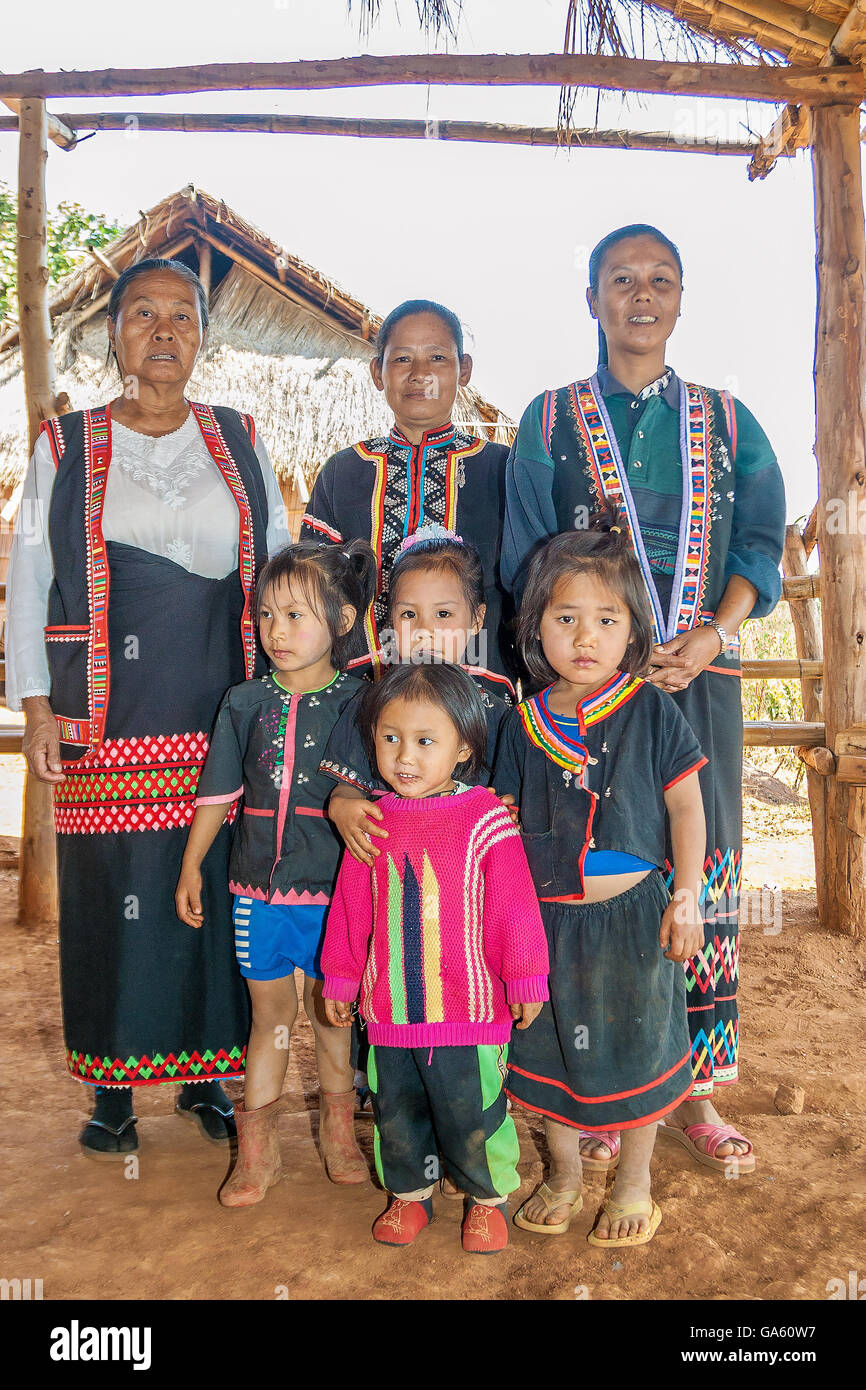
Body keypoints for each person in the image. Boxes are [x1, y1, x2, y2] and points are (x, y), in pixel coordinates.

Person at [502, 224, 784, 1173]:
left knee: (702, 868)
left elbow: (759, 547)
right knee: (587, 878)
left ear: (681, 296)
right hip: (585, 692)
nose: (641, 294)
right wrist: (594, 664)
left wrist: (715, 631)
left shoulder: (731, 423)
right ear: (593, 298)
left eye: (660, 279)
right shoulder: (548, 420)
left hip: (699, 682)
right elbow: (529, 562)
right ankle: (590, 1085)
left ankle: (692, 1094)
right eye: (621, 279)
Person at [5, 257, 290, 1155]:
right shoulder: (66, 444)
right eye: (142, 315)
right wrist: (40, 708)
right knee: (113, 893)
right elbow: (28, 582)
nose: (163, 332)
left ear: (204, 336)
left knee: (210, 882)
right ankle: (113, 1091)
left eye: (182, 316)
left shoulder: (241, 439)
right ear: (113, 332)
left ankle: (208, 1078)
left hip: (221, 707)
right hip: (107, 710)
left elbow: (280, 573)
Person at [493, 516, 707, 1246]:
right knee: (549, 1049)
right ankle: (562, 1176)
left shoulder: (653, 711)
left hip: (636, 921)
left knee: (639, 1046)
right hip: (543, 925)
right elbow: (502, 826)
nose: (586, 637)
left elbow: (685, 806)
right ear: (536, 628)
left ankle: (636, 1182)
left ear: (631, 631)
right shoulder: (519, 726)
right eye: (566, 618)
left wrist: (686, 896)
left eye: (606, 619)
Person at [321, 663, 549, 1253]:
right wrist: (341, 978)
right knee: (398, 1113)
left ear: (463, 747)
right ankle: (409, 1195)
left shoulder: (483, 818)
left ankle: (486, 1198)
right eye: (390, 738)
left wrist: (525, 975)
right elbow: (350, 909)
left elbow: (513, 905)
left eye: (426, 742)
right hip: (390, 1011)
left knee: (473, 1113)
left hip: (469, 1010)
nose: (404, 757)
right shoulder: (372, 820)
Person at [176, 541, 376, 1204]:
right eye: (265, 617)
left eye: (294, 615)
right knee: (271, 1017)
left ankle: (339, 1136)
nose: (276, 632)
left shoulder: (361, 703)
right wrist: (190, 864)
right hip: (253, 892)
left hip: (335, 896)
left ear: (342, 622)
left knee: (333, 1013)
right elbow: (217, 793)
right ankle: (257, 1154)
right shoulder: (243, 702)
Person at [300, 298, 515, 691]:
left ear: (463, 370)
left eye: (437, 357)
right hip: (359, 691)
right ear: (377, 372)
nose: (420, 374)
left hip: (476, 693)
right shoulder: (344, 472)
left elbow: (530, 589)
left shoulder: (502, 471)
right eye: (401, 359)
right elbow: (313, 590)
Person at [322, 525, 514, 868]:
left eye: (443, 614)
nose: (424, 630)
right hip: (387, 871)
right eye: (409, 614)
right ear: (390, 620)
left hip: (464, 877)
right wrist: (342, 808)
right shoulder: (368, 704)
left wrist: (509, 812)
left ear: (477, 618)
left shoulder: (495, 715)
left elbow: (509, 799)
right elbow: (344, 789)